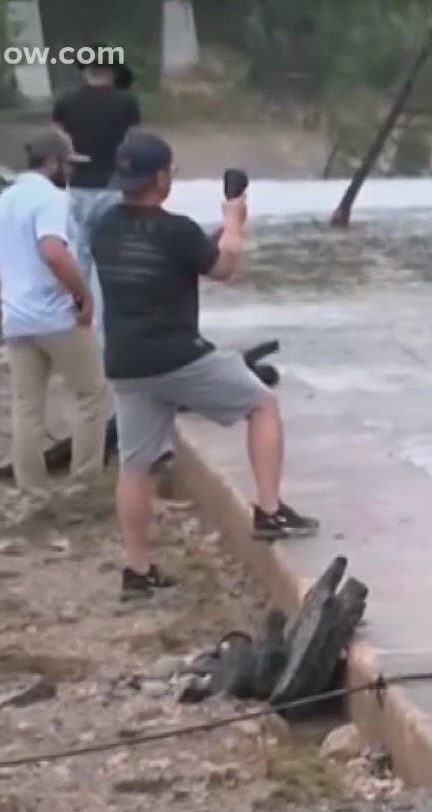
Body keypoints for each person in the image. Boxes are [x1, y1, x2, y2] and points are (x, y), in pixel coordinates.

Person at [93, 130, 318, 601]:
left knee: (135, 467)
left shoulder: (105, 226)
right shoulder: (175, 230)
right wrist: (234, 222)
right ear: (160, 177)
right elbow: (223, 268)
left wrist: (214, 239)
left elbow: (174, 257)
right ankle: (270, 510)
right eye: (170, 171)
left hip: (124, 361)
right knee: (262, 404)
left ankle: (138, 571)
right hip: (176, 355)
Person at [0, 130, 112, 491]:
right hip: (57, 317)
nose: (72, 172)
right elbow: (53, 251)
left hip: (18, 320)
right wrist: (83, 295)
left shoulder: (2, 202)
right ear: (52, 162)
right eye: (68, 164)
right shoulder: (52, 199)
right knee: (92, 395)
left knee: (27, 407)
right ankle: (84, 481)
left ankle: (31, 487)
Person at [52, 45, 140, 344]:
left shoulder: (65, 104)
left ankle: (77, 328)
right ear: (113, 72)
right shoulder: (126, 103)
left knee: (80, 257)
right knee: (112, 258)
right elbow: (131, 146)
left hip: (76, 188)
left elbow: (59, 145)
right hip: (114, 187)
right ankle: (109, 332)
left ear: (85, 70)